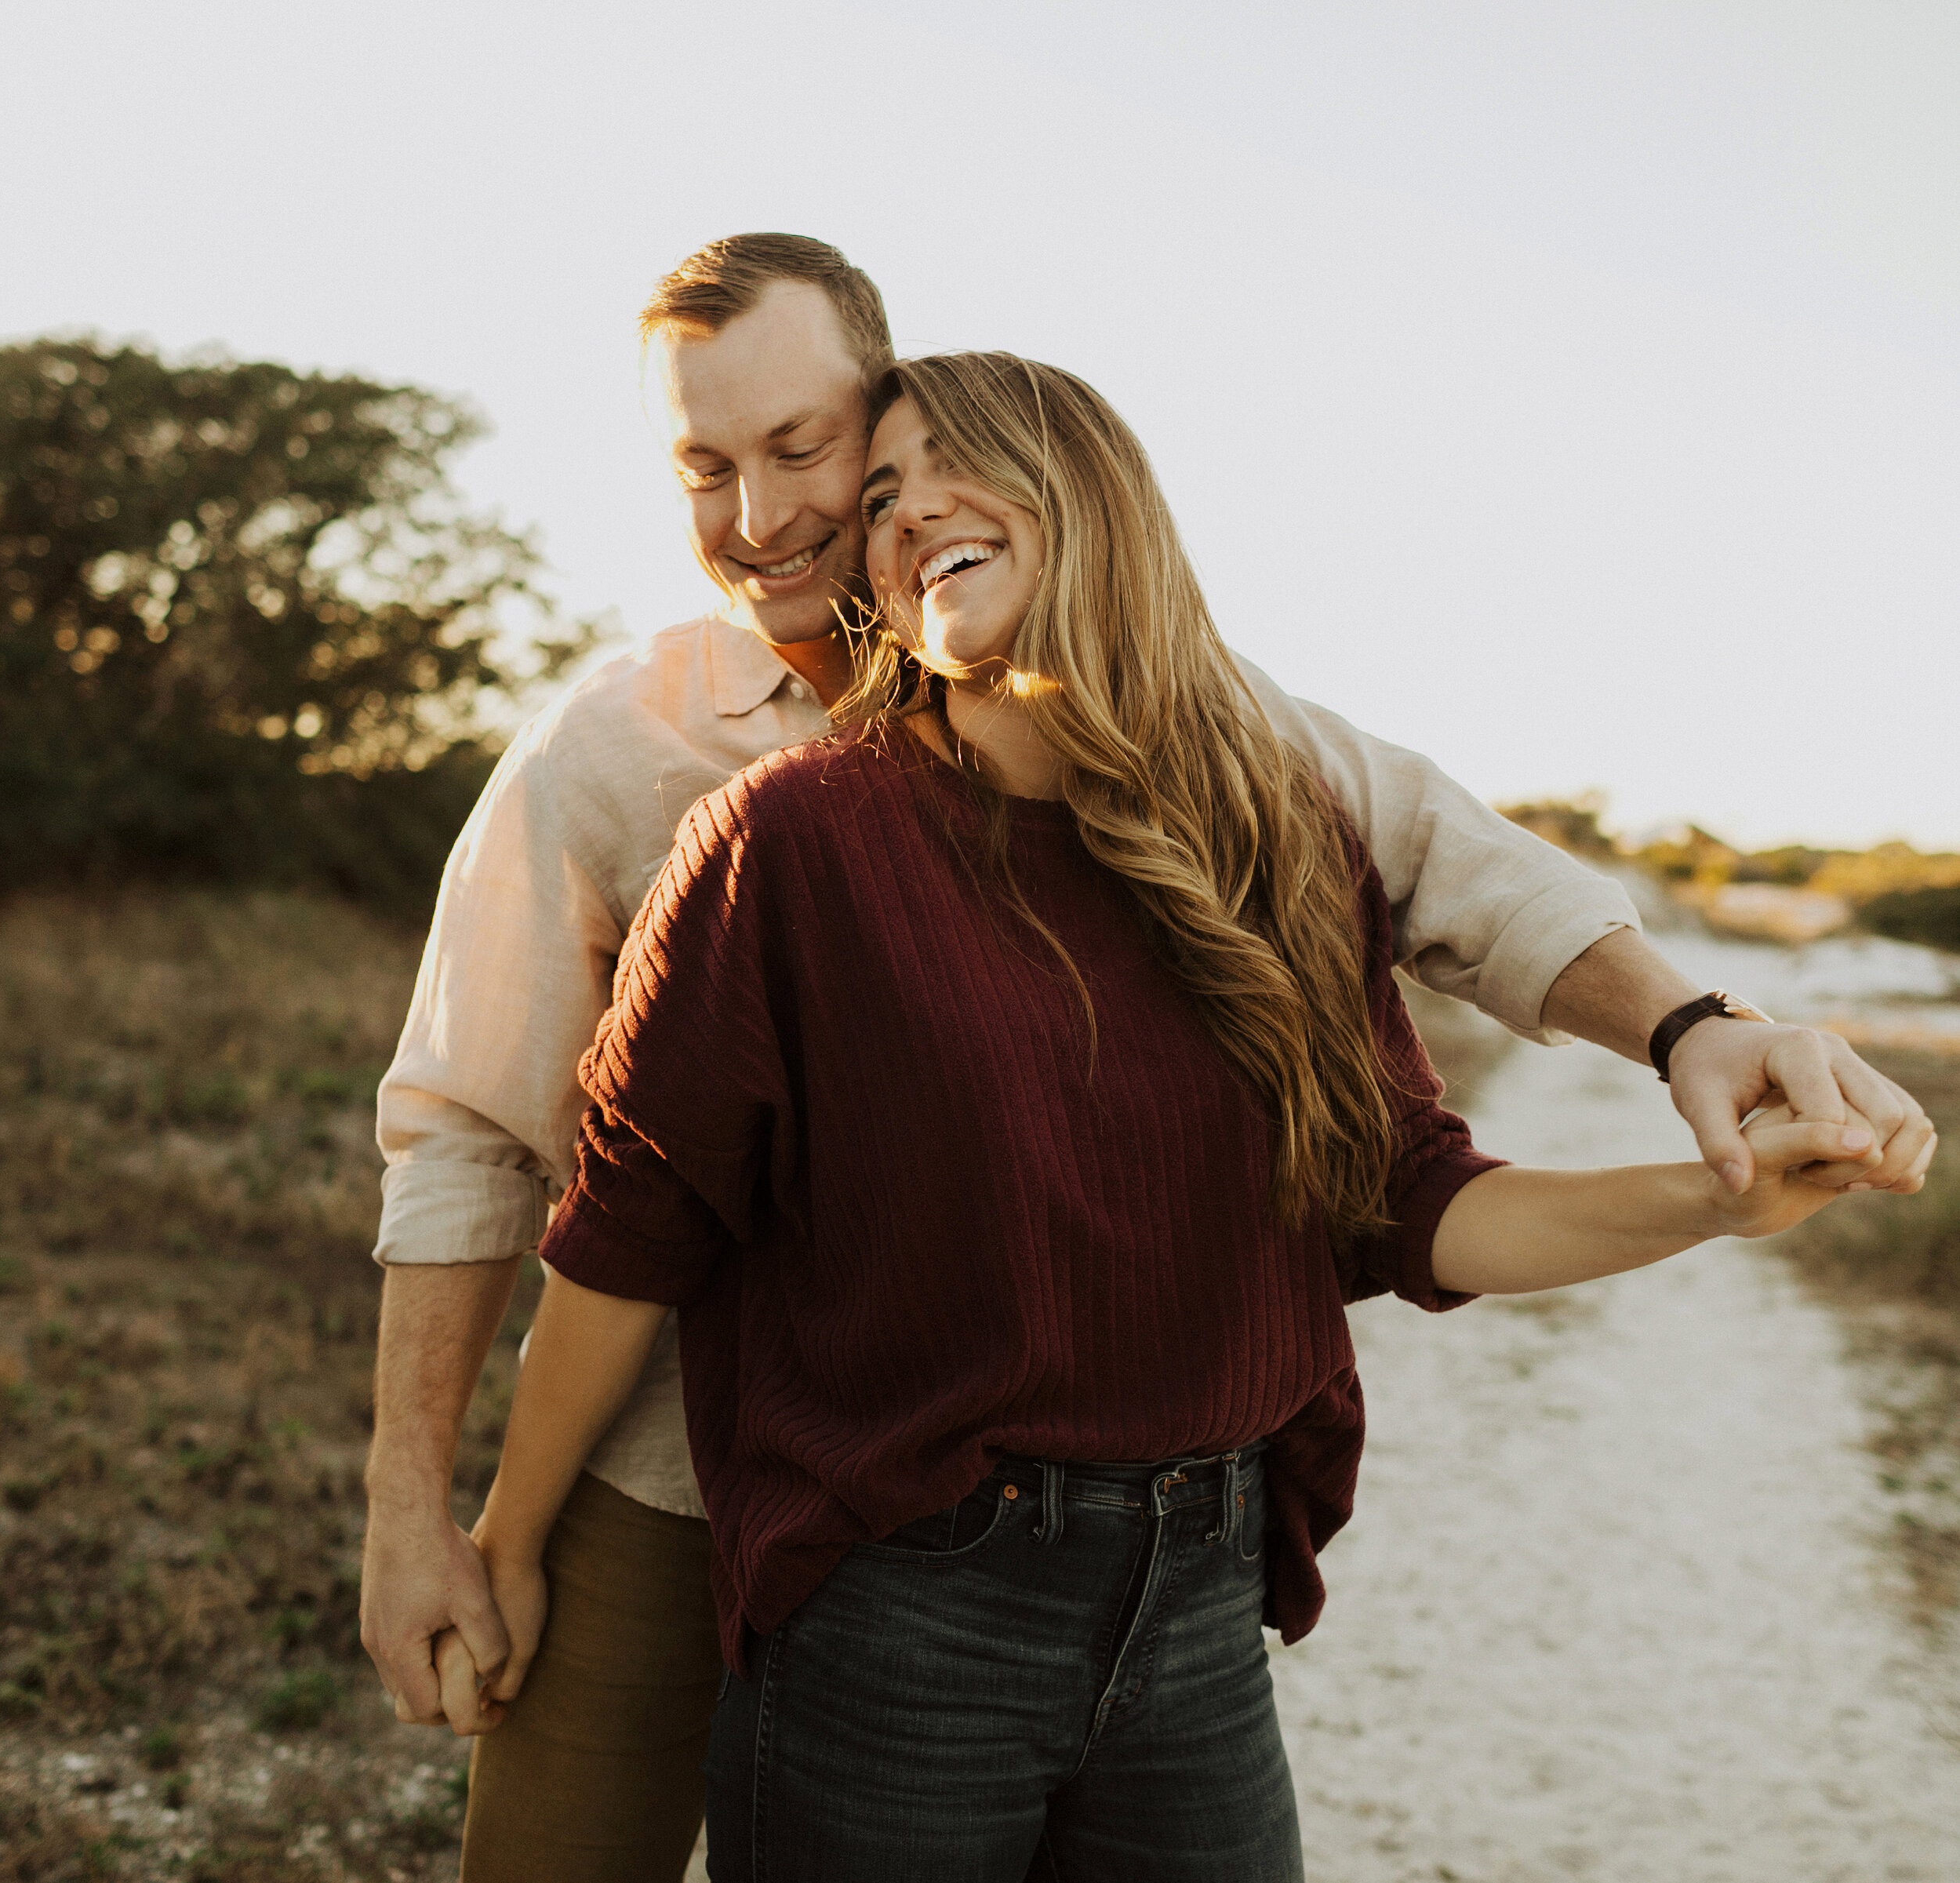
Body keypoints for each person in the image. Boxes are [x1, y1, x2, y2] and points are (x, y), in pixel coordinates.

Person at [358, 235, 1935, 1882]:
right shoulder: (649, 764)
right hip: (678, 1460)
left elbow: (1455, 887)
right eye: (704, 465)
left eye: (809, 451)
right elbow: (485, 1139)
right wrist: (432, 1512)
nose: (761, 518)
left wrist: (1702, 1045)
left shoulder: (1233, 763)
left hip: (1117, 1557)